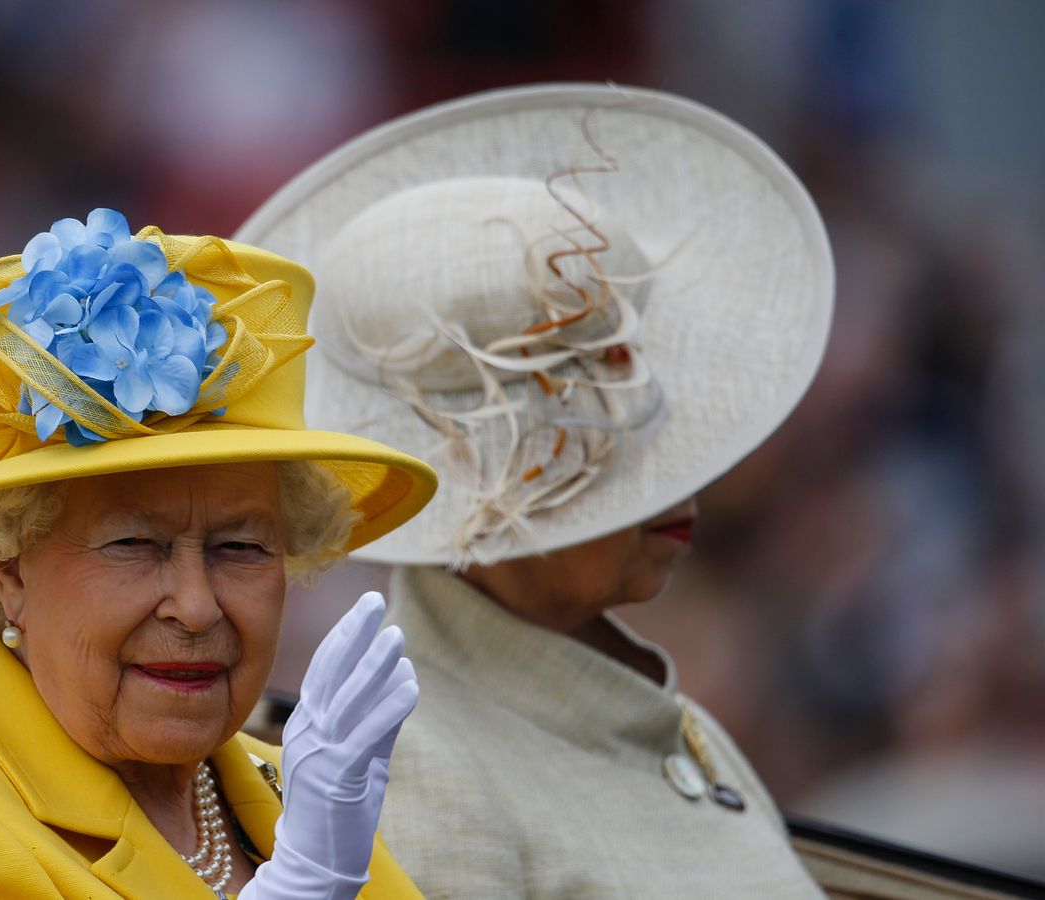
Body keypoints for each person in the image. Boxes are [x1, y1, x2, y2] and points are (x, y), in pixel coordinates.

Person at [236, 84, 834, 897]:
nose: (682, 478)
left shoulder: (662, 722)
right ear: (485, 475)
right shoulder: (415, 768)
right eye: (594, 428)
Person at [0, 210, 439, 898]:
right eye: (134, 545)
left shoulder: (297, 797)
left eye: (240, 547)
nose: (194, 606)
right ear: (10, 570)